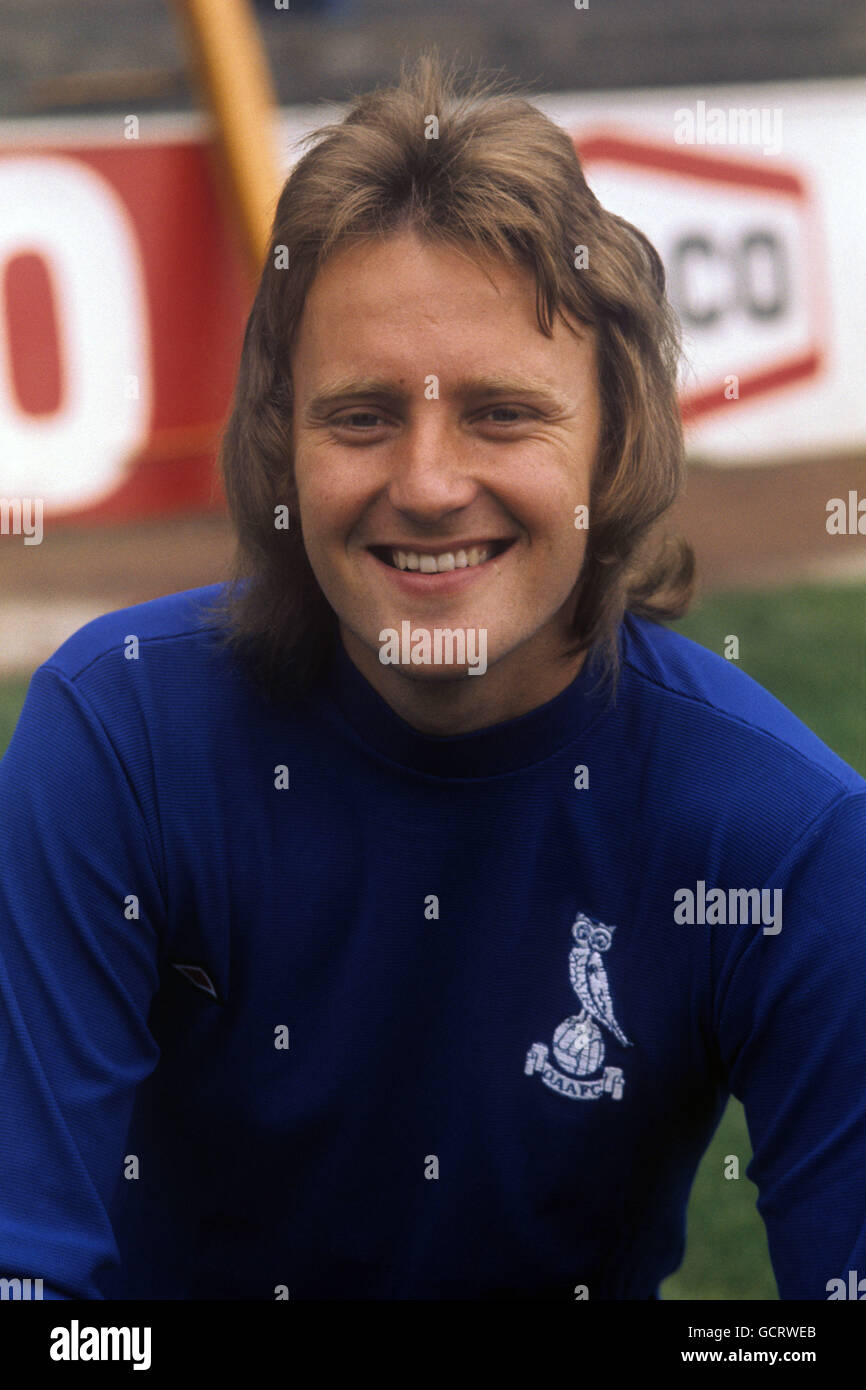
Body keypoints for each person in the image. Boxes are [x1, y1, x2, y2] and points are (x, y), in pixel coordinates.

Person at [0, 54, 863, 1302]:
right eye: (359, 417)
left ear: (616, 438)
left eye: (502, 413)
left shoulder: (784, 837)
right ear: (279, 447)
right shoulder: (118, 738)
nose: (426, 483)